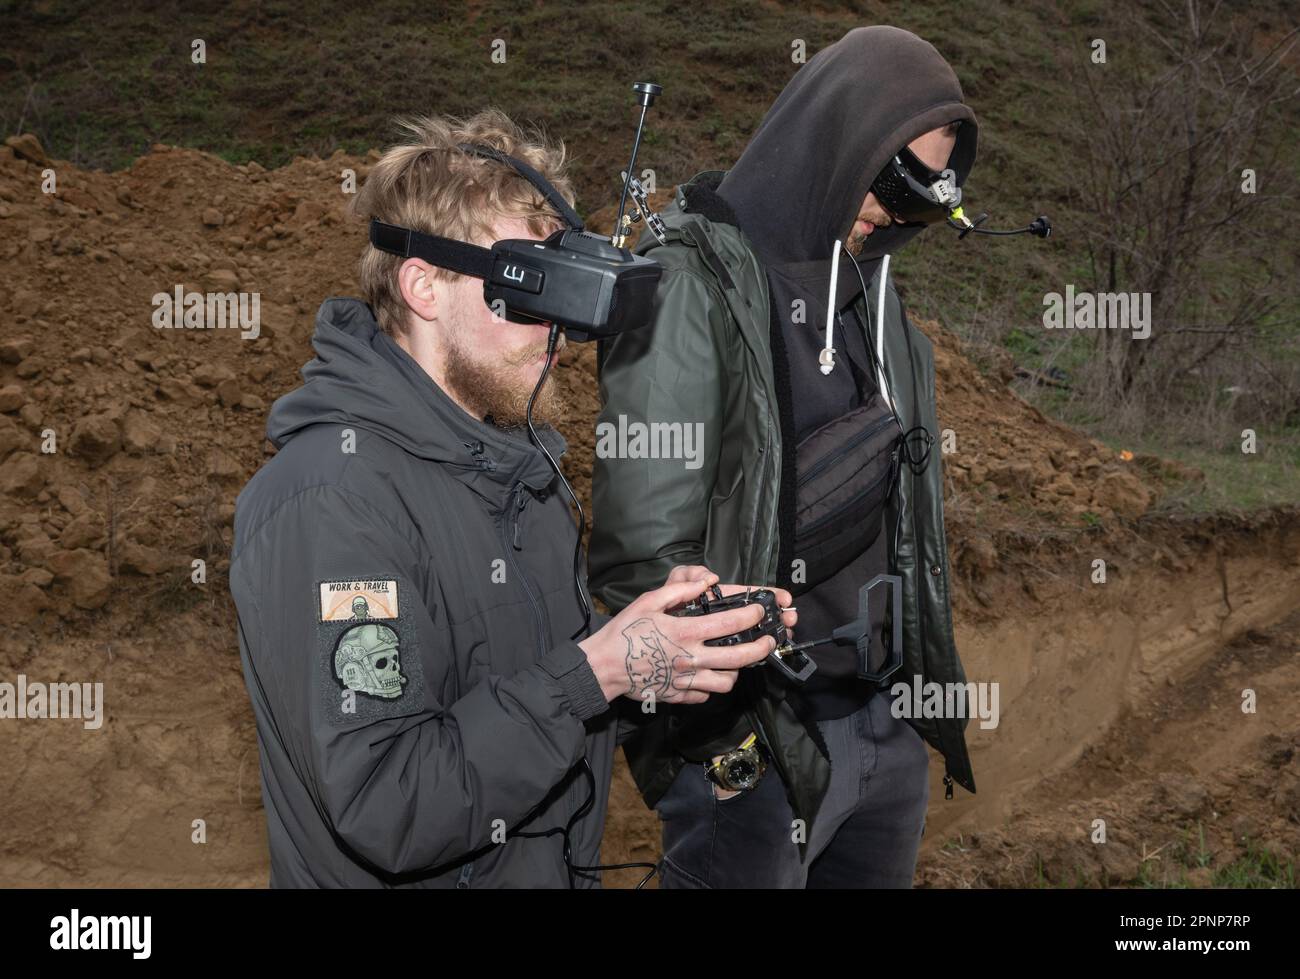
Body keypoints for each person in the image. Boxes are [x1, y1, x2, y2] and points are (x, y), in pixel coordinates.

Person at [229, 109, 791, 888]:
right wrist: (597, 671)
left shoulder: (519, 475)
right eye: (525, 289)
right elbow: (388, 803)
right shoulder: (333, 501)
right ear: (423, 286)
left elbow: (537, 695)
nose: (553, 330)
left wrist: (653, 651)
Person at [590, 26, 977, 888]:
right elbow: (640, 553)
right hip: (757, 747)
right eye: (891, 183)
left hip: (880, 724)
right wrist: (728, 746)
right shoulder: (689, 287)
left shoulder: (871, 294)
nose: (896, 215)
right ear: (836, 136)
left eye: (922, 200)